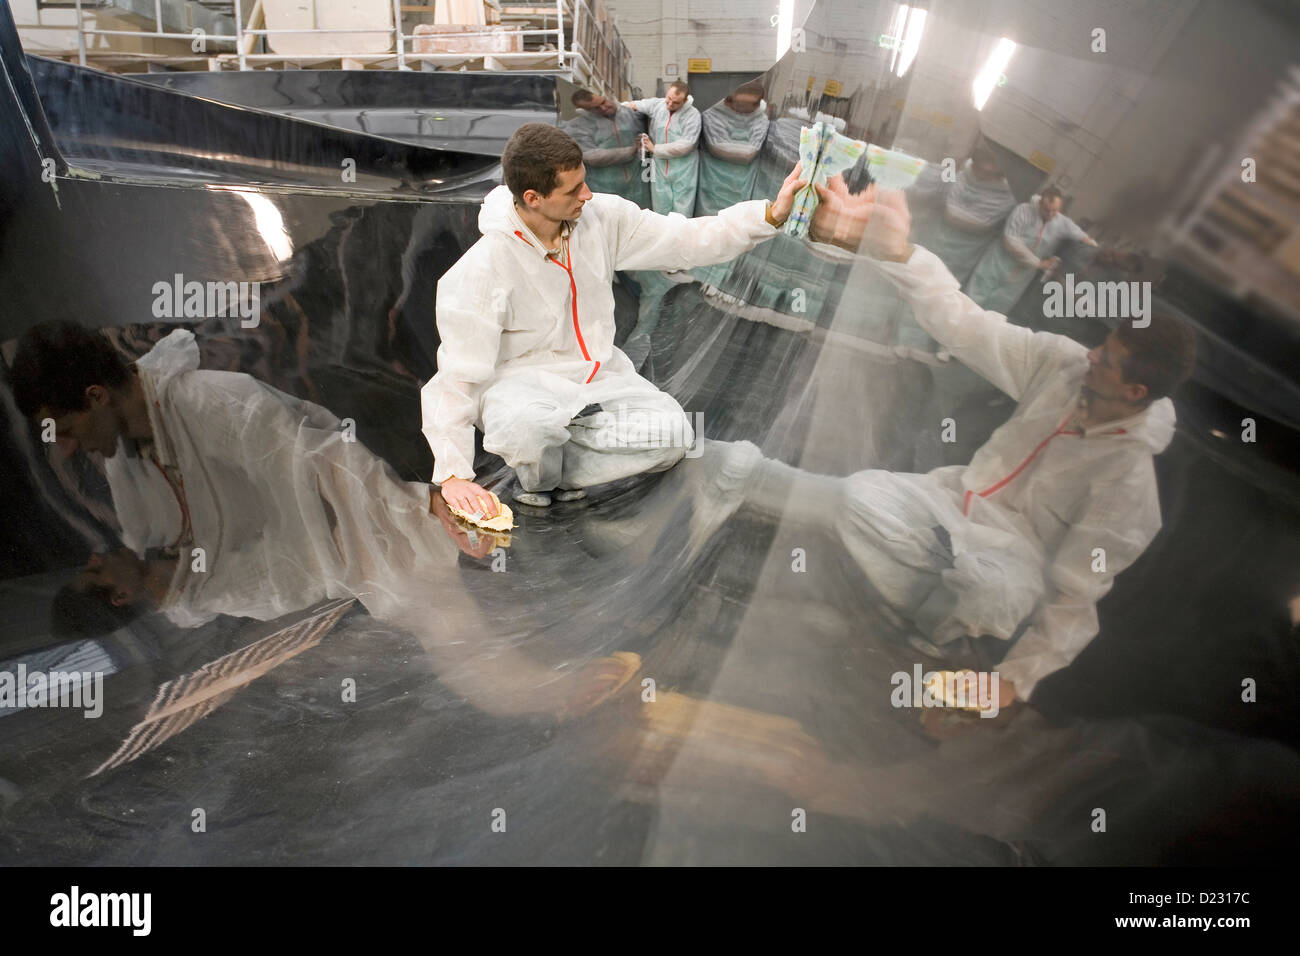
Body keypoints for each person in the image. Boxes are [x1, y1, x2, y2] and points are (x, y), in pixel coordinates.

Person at [706, 178, 1196, 707]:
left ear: (1135, 391)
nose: (1093, 355)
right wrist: (900, 254)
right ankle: (737, 472)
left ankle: (912, 648)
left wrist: (1012, 682)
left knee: (984, 590)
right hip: (949, 503)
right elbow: (968, 325)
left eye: (1109, 359)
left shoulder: (1128, 484)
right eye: (1103, 344)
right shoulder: (1064, 365)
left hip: (1012, 563)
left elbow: (1076, 598)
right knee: (857, 498)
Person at [424, 123, 804, 513]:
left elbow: (683, 240)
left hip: (599, 381)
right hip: (523, 391)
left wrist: (769, 215)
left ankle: (557, 466)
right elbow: (456, 378)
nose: (586, 195)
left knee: (674, 435)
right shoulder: (482, 268)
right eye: (573, 190)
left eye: (584, 182)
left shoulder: (602, 219)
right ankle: (542, 464)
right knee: (529, 429)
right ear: (534, 197)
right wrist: (452, 474)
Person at [963, 186, 1097, 314]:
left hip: (1021, 276)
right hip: (998, 264)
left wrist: (1095, 250)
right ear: (1039, 203)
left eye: (1054, 211)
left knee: (996, 310)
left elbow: (1083, 238)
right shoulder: (1023, 211)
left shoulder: (1062, 223)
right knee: (970, 299)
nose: (1050, 214)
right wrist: (1038, 263)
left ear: (1060, 207)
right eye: (1046, 210)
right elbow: (1011, 240)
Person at [621, 81, 702, 217]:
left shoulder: (693, 115)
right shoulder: (658, 105)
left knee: (682, 209)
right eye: (669, 99)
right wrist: (624, 106)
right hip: (659, 166)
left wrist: (655, 148)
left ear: (685, 100)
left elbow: (687, 145)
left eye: (676, 102)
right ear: (668, 91)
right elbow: (638, 105)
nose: (670, 104)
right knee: (660, 206)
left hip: (683, 169)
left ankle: (680, 237)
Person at [562, 89, 651, 208]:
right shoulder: (579, 125)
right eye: (595, 108)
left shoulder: (631, 114)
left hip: (637, 186)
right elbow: (590, 156)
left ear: (609, 95)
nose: (603, 108)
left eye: (603, 102)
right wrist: (630, 151)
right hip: (605, 187)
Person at [694, 82, 771, 217]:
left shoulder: (761, 119)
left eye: (749, 105)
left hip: (743, 184)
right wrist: (744, 151)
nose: (742, 109)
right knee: (710, 221)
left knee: (737, 219)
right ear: (728, 101)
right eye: (739, 104)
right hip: (714, 181)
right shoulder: (713, 114)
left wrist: (739, 151)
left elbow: (750, 154)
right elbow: (716, 147)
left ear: (757, 104)